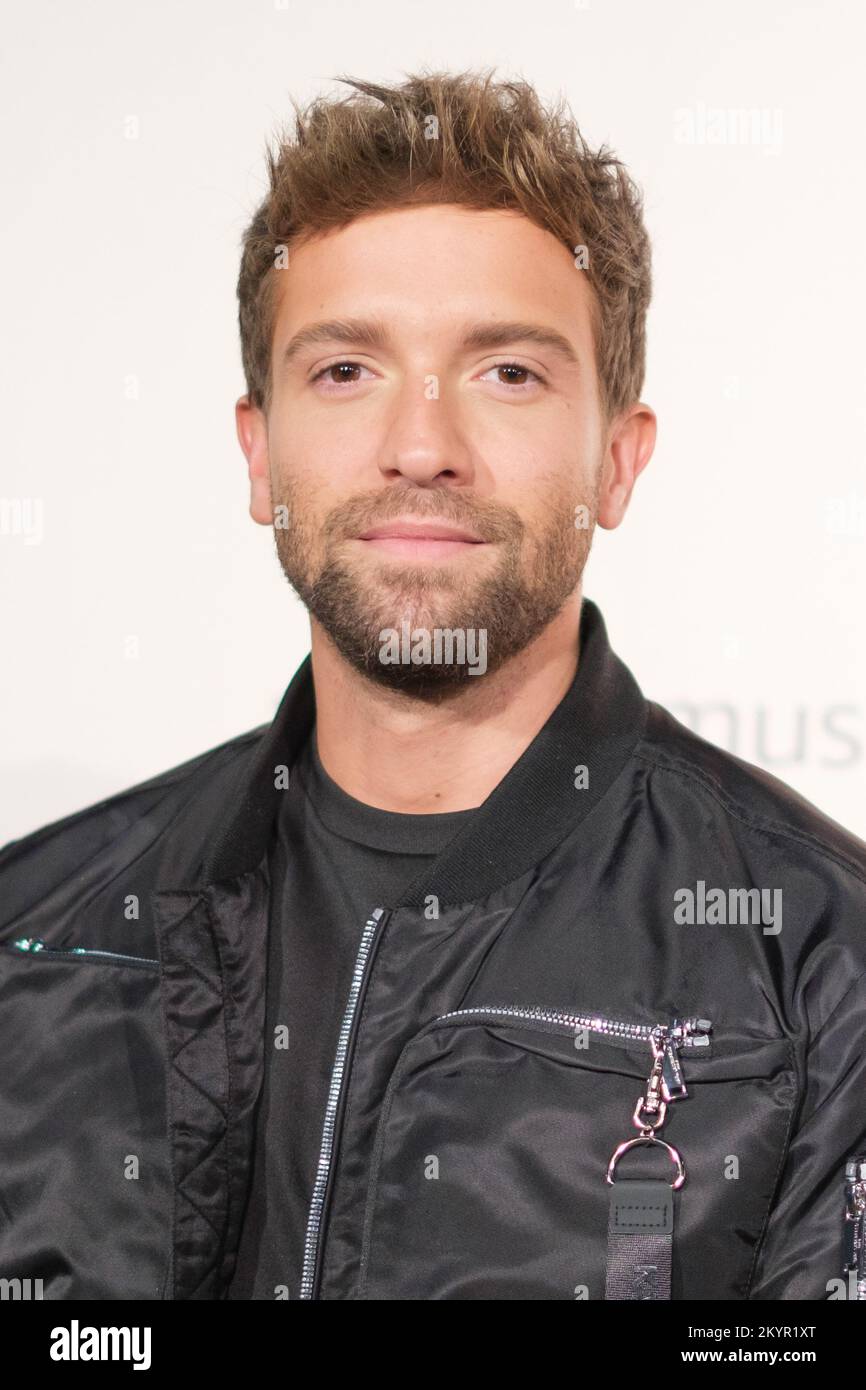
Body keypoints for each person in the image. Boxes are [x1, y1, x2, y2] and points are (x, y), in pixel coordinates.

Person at [1, 70, 864, 1302]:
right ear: (259, 455)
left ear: (615, 463)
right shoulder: (36, 935)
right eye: (345, 370)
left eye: (506, 372)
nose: (420, 446)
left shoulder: (822, 967)